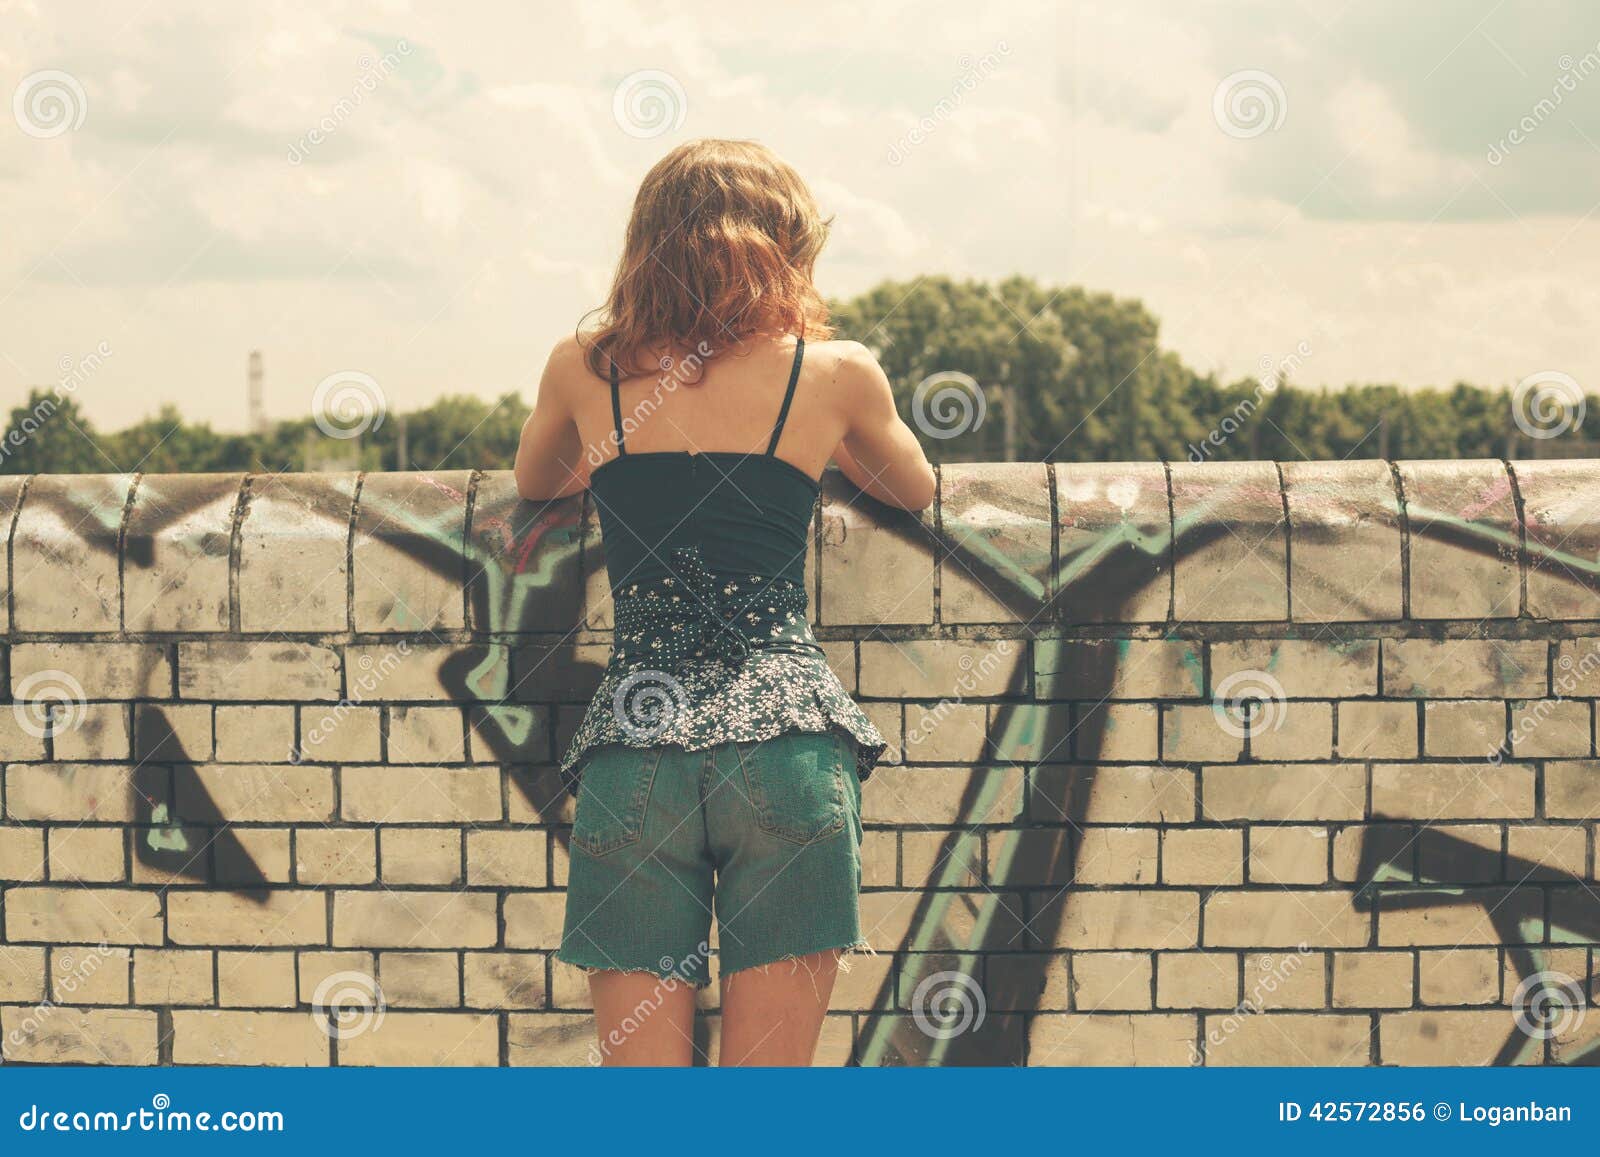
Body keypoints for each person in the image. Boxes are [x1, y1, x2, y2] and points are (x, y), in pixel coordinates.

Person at [514, 138, 935, 1066]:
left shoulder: (582, 368)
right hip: (786, 742)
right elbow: (913, 488)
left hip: (638, 744)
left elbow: (537, 478)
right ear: (787, 246)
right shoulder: (836, 373)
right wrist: (814, 447)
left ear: (644, 246)